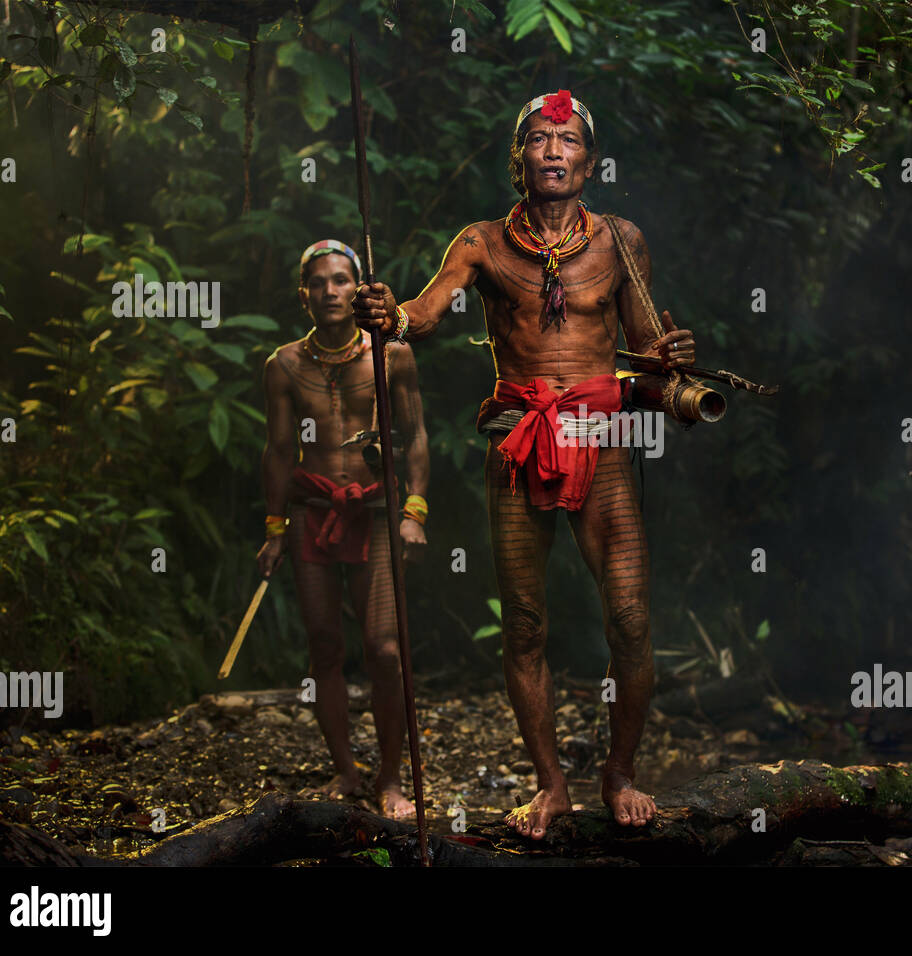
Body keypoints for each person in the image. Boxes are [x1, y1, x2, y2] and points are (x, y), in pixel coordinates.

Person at [354, 90, 696, 839]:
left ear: (590, 161)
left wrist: (670, 361)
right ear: (518, 159)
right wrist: (391, 315)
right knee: (525, 626)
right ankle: (550, 785)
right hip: (518, 439)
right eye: (538, 140)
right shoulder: (481, 242)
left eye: (566, 140)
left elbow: (645, 348)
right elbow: (426, 309)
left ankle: (620, 772)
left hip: (601, 443)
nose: (552, 151)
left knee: (633, 621)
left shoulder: (621, 240)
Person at [257, 239, 430, 818]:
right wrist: (275, 528)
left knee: (384, 648)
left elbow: (417, 436)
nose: (330, 291)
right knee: (324, 645)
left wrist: (415, 512)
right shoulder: (282, 365)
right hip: (311, 512)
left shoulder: (391, 355)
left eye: (340, 281)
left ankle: (390, 778)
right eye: (318, 282)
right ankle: (346, 770)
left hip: (376, 510)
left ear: (359, 290)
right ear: (302, 294)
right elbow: (279, 450)